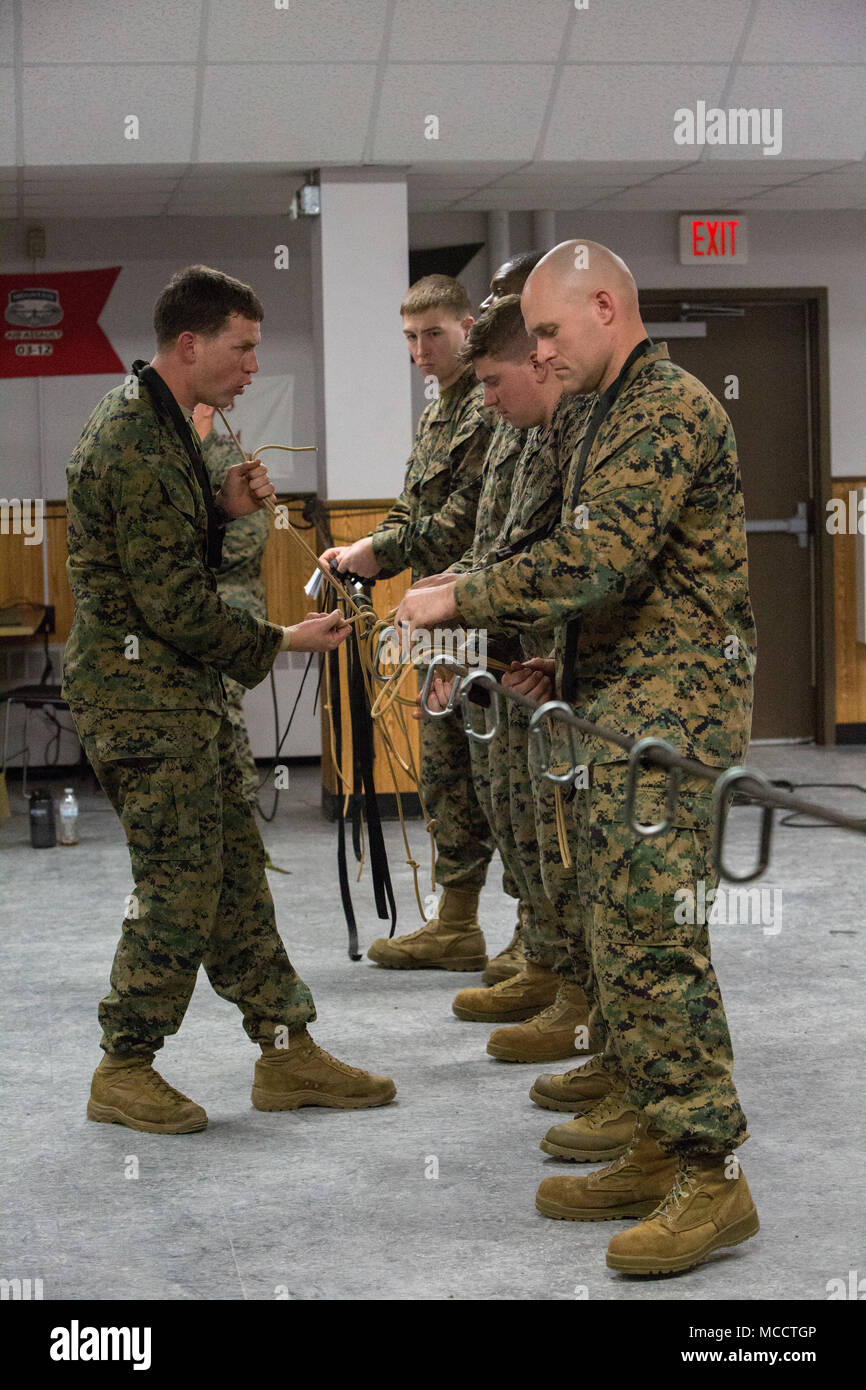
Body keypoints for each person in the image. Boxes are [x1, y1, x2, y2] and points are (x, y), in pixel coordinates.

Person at [396, 240, 759, 1276]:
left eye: (548, 331)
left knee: (652, 941)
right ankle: (654, 1135)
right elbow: (598, 572)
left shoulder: (666, 406)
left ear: (606, 305)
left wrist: (457, 597)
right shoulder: (599, 407)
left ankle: (711, 1174)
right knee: (610, 931)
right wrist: (553, 657)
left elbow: (599, 553)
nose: (537, 351)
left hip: (671, 716)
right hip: (612, 702)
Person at [63, 264, 395, 1135]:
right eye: (242, 348)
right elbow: (169, 603)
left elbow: (174, 553)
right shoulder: (134, 440)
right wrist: (282, 640)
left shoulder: (171, 430)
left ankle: (285, 1050)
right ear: (190, 344)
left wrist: (218, 507)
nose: (253, 365)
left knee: (236, 872)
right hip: (138, 696)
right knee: (178, 883)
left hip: (180, 692)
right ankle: (124, 1063)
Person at [419, 294, 601, 1068]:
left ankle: (581, 1002)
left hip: (582, 672)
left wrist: (461, 595)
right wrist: (460, 597)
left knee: (571, 845)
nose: (485, 398)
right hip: (522, 652)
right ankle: (554, 975)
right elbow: (505, 537)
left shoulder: (600, 420)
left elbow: (583, 556)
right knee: (520, 819)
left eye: (494, 379)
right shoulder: (522, 423)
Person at [319, 275, 496, 972]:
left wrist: (381, 550)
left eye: (433, 334)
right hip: (437, 618)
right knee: (446, 768)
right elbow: (411, 509)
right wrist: (361, 553)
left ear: (468, 327)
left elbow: (465, 519)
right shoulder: (437, 416)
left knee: (498, 777)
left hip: (485, 615)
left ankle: (543, 943)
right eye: (410, 338)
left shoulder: (490, 409)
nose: (420, 350)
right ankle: (458, 923)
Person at [192, 401, 269, 808]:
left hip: (232, 604)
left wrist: (185, 555)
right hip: (199, 607)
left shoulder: (224, 458)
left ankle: (238, 802)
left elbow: (247, 540)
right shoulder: (179, 452)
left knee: (223, 703)